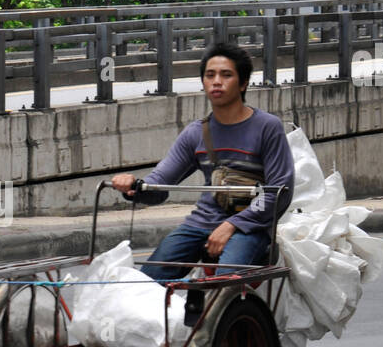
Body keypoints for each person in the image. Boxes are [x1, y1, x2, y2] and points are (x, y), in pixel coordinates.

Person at [110, 42, 294, 282]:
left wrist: (232, 225)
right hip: (200, 224)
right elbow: (160, 184)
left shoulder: (267, 127)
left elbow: (278, 192)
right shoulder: (196, 133)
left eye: (226, 75)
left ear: (243, 83)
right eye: (210, 75)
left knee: (225, 283)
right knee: (149, 282)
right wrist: (134, 186)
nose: (216, 81)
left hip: (251, 227)